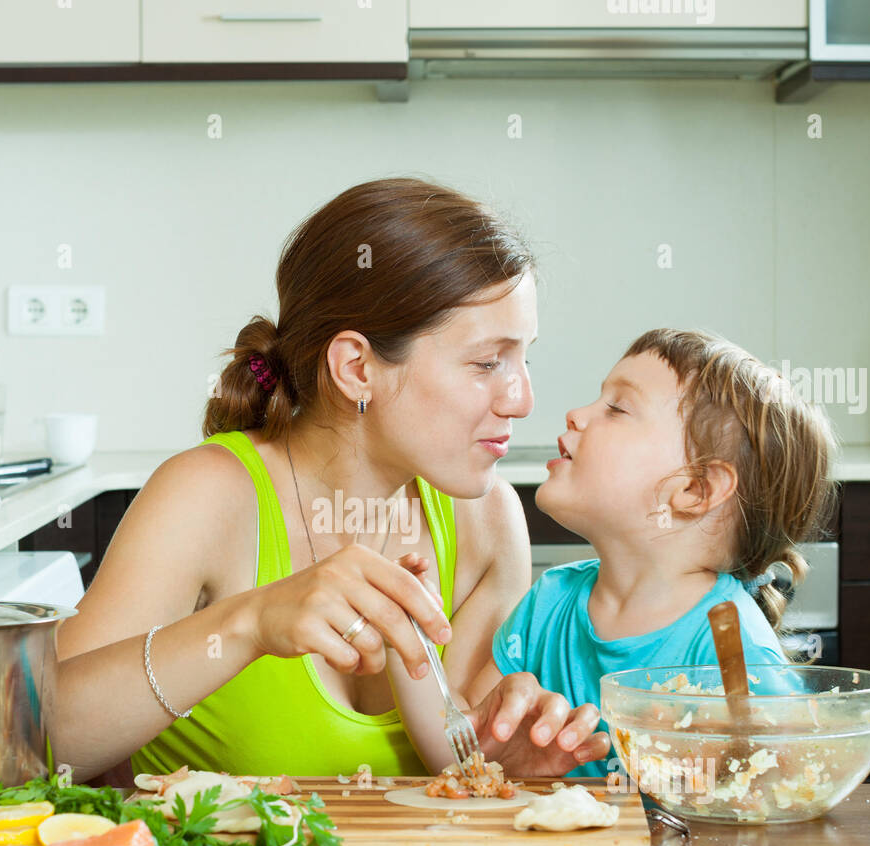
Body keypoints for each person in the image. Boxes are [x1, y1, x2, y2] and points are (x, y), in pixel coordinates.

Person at [51, 177, 610, 783]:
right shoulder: (209, 495)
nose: (523, 399)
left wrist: (504, 764)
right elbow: (41, 746)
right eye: (485, 363)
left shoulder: (487, 519)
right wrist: (251, 623)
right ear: (356, 367)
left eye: (525, 357)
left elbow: (462, 757)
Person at [475, 328, 837, 779]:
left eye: (617, 408)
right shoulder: (548, 600)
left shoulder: (729, 641)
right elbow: (466, 750)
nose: (576, 414)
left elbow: (782, 791)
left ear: (694, 488)